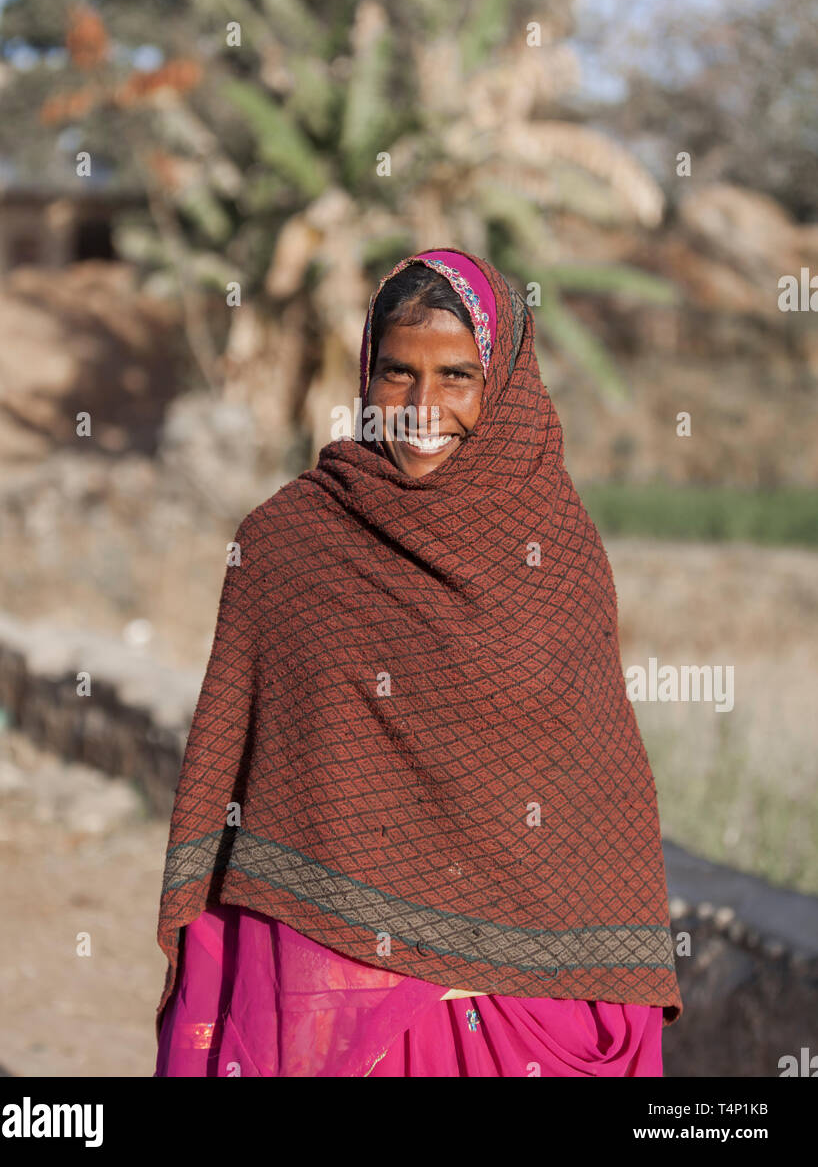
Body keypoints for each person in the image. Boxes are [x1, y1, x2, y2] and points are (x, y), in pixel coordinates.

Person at [154, 247, 682, 1077]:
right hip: (329, 986)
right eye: (398, 374)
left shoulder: (559, 556)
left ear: (504, 382)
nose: (421, 407)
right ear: (365, 375)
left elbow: (594, 797)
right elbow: (239, 774)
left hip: (514, 999)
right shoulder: (287, 543)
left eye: (456, 377)